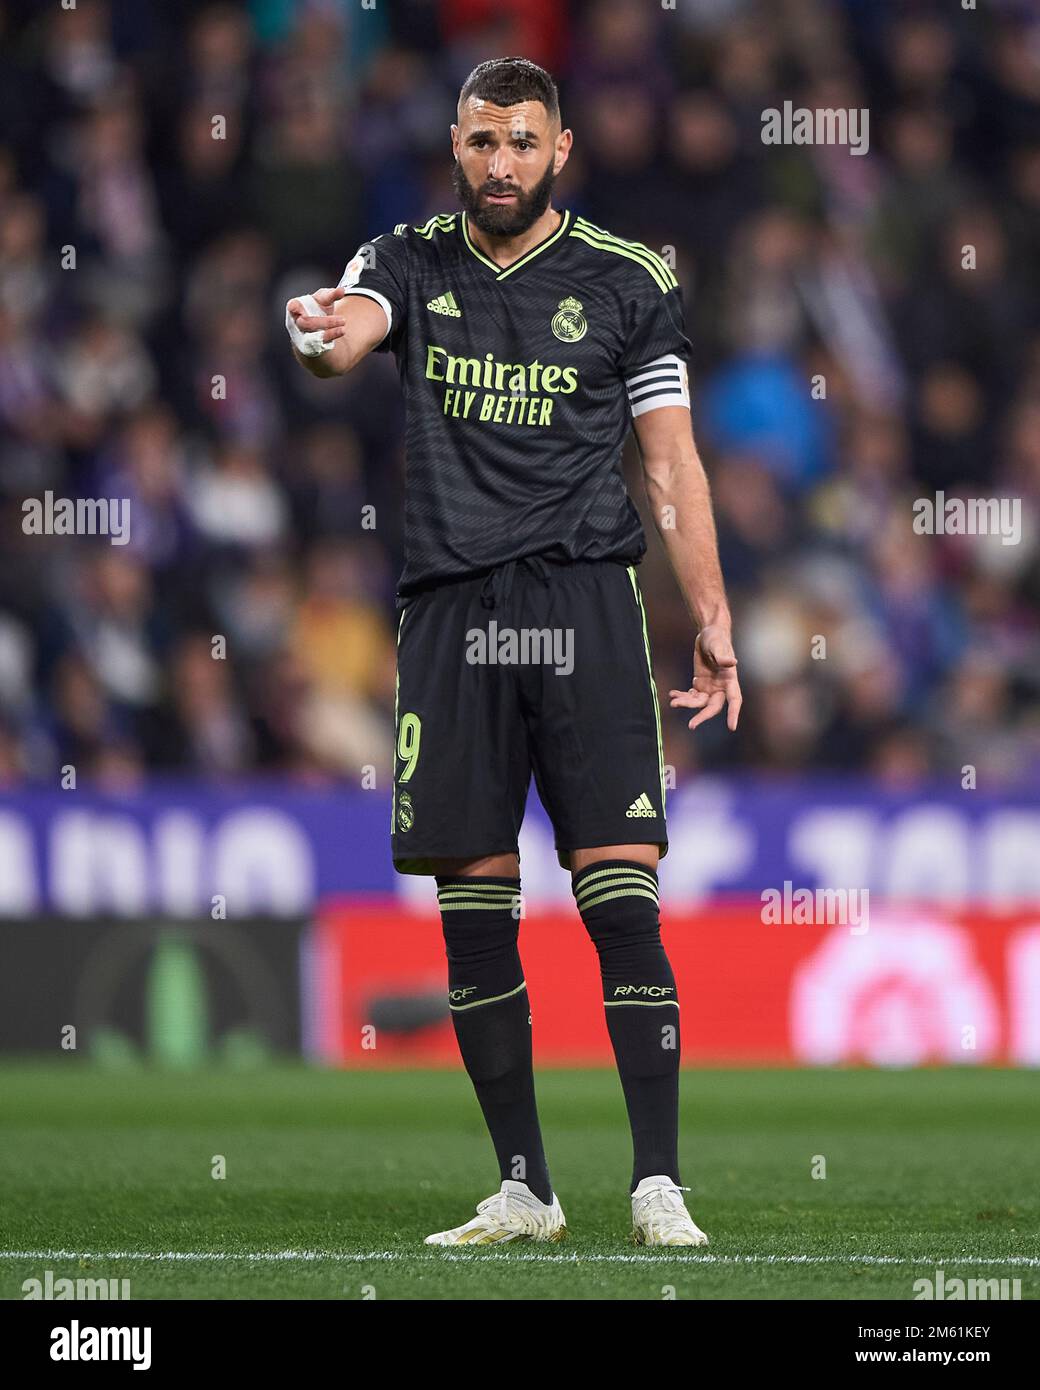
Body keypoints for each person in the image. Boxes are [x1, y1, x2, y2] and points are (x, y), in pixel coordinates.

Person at [287, 56, 741, 1247]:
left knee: (616, 887)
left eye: (521, 143)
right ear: (454, 143)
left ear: (561, 149)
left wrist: (708, 608)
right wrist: (314, 336)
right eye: (482, 142)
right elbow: (346, 339)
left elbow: (669, 461)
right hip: (449, 611)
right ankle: (525, 1187)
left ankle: (656, 1183)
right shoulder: (405, 259)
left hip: (586, 600)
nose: (499, 164)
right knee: (472, 900)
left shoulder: (631, 279)